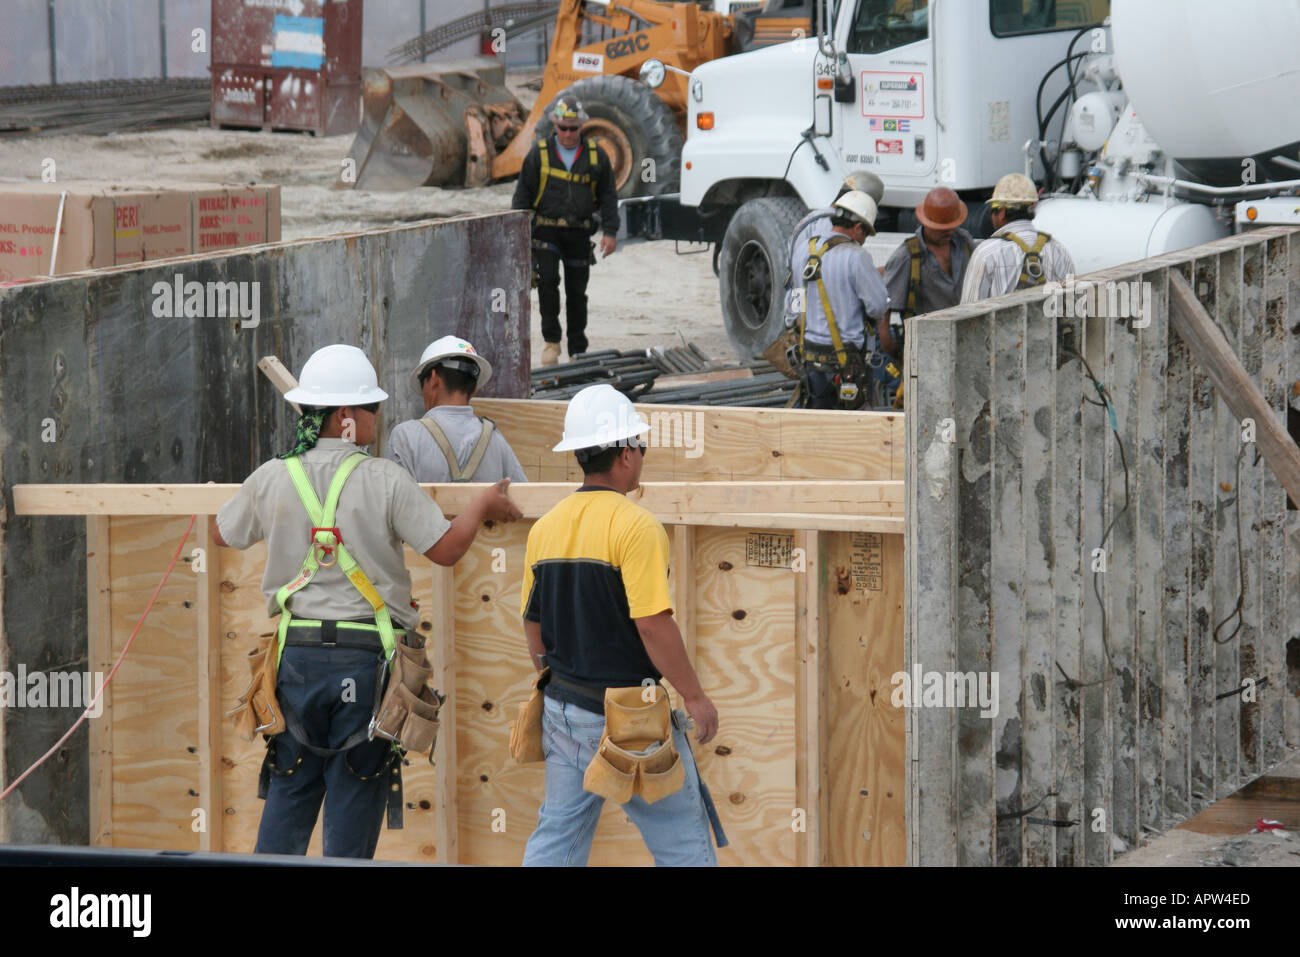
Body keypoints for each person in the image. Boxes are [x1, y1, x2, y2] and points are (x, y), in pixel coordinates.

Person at [212, 344, 522, 859]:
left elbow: (224, 534)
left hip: (295, 664)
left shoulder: (272, 476)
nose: (380, 418)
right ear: (345, 417)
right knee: (355, 801)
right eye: (372, 409)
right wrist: (481, 504)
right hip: (365, 666)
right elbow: (445, 550)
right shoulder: (384, 480)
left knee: (289, 787)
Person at [519, 384, 727, 866]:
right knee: (682, 840)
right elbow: (653, 624)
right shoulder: (637, 527)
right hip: (631, 719)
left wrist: (558, 678)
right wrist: (693, 696)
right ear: (627, 454)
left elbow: (533, 627)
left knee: (558, 837)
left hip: (564, 709)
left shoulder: (545, 528)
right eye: (641, 446)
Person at [511, 95, 619, 367]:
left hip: (580, 234)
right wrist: (519, 235)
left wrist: (610, 231)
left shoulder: (596, 156)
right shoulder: (539, 154)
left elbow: (608, 195)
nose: (568, 134)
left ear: (581, 126)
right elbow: (522, 196)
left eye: (574, 128)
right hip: (546, 233)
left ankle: (577, 349)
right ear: (555, 127)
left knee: (577, 293)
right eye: (563, 128)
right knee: (547, 284)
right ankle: (551, 343)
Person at [790, 190, 891, 409]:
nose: (864, 241)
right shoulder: (856, 257)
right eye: (865, 235)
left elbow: (794, 303)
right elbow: (878, 307)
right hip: (847, 364)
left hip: (809, 358)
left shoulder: (803, 251)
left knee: (816, 422)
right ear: (857, 228)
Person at [386, 335, 528, 484]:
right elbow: (524, 496)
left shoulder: (405, 437)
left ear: (434, 379)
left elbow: (393, 502)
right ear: (473, 390)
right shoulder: (495, 439)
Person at [784, 170, 886, 326]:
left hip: (802, 312)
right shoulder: (830, 228)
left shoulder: (810, 219)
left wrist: (793, 323)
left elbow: (797, 279)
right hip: (827, 323)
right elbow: (832, 281)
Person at [960, 172, 1075, 303]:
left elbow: (968, 311)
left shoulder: (987, 253)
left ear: (1002, 213)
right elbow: (1070, 304)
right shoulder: (1058, 249)